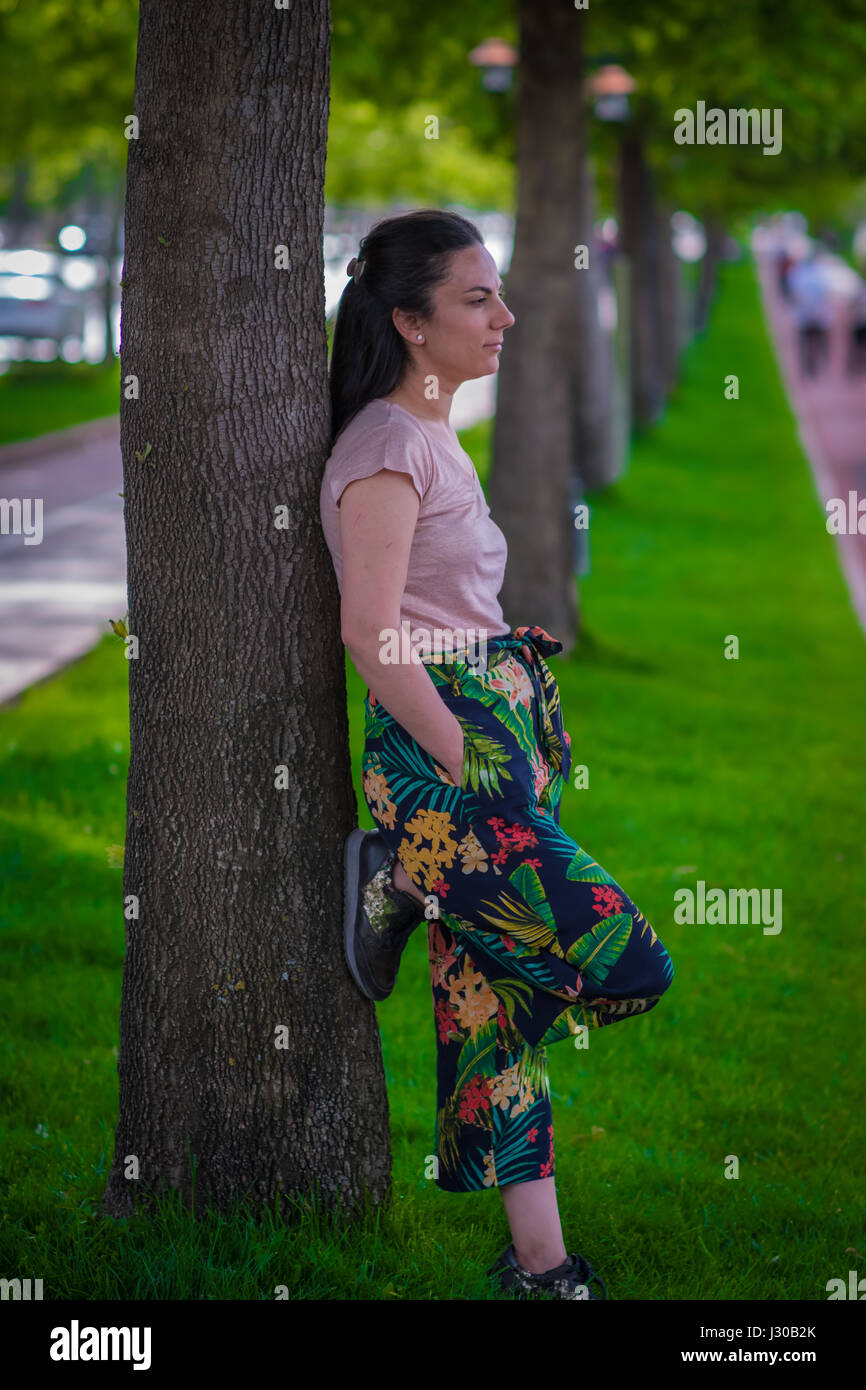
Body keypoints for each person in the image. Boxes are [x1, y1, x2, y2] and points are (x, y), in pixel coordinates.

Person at [319, 208, 675, 1301]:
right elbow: (371, 630)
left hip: (484, 740)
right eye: (476, 298)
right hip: (443, 767)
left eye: (498, 292)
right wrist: (464, 752)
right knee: (624, 961)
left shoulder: (428, 434)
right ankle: (391, 867)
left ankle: (543, 1270)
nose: (503, 316)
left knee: (496, 1010)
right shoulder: (383, 447)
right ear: (409, 323)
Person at [787, 249, 834, 377]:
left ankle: (807, 366)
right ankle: (811, 366)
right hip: (815, 315)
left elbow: (794, 293)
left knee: (806, 343)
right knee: (814, 342)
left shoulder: (798, 273)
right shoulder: (820, 274)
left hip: (806, 315)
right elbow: (824, 295)